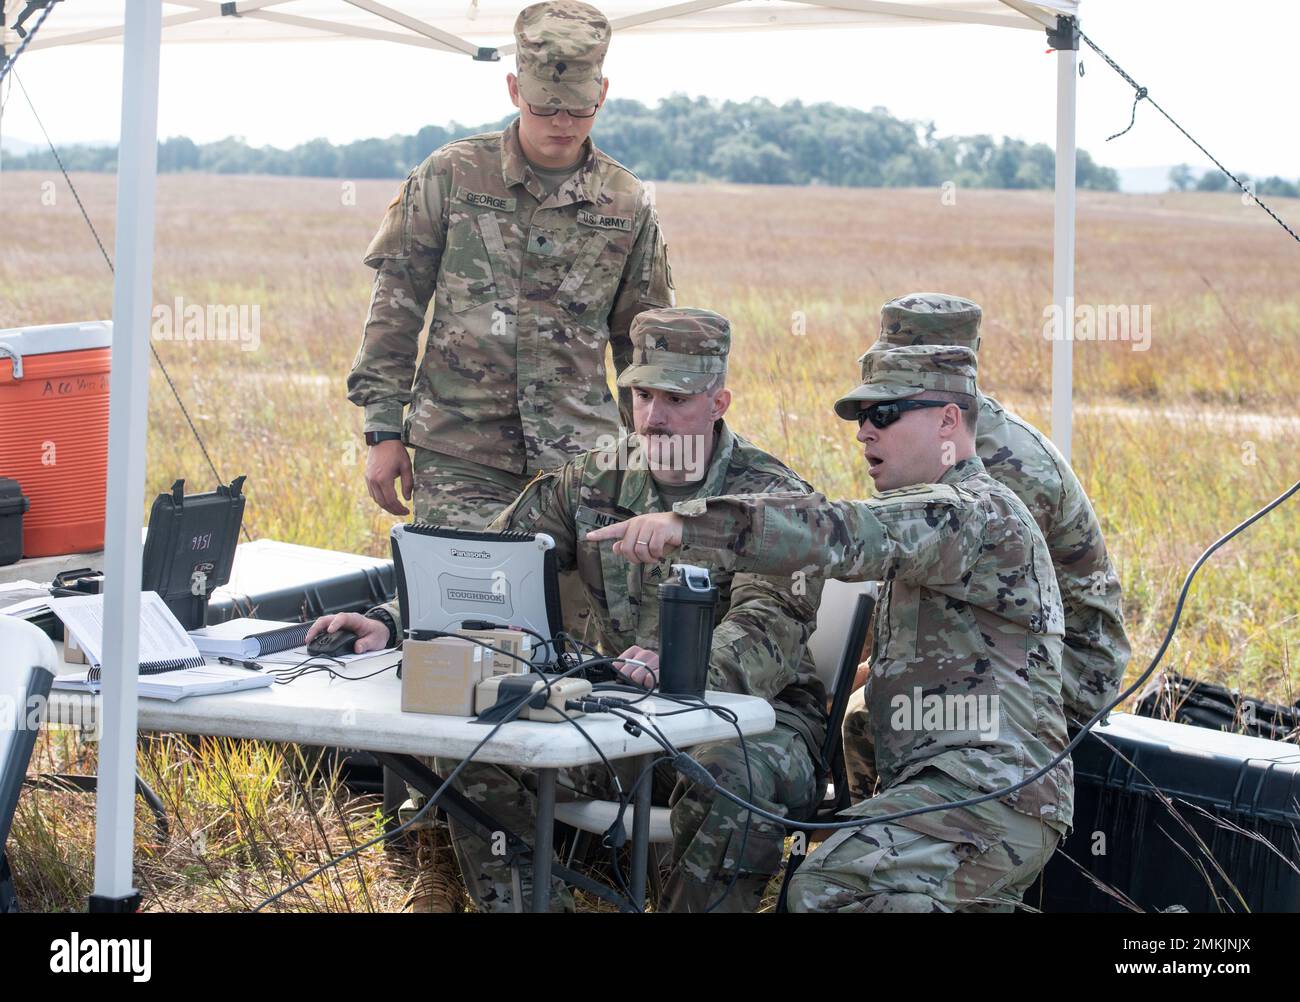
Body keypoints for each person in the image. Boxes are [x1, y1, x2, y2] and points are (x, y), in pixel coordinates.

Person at [315, 307, 827, 912]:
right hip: (619, 715)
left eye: (676, 398)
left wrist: (680, 665)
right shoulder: (594, 481)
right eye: (641, 394)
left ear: (719, 403)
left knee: (733, 775)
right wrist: (394, 621)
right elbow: (492, 569)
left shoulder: (773, 504)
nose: (654, 417)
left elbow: (764, 630)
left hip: (749, 722)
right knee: (473, 749)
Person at [341, 0, 672, 908]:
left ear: (604, 94)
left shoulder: (626, 201)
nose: (562, 125)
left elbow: (640, 341)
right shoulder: (450, 176)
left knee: (570, 665)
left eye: (579, 110)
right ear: (513, 87)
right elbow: (395, 306)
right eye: (545, 107)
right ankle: (433, 874)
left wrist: (660, 457)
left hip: (581, 471)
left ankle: (563, 870)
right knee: (444, 666)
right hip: (459, 455)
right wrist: (381, 426)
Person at [586, 344, 1073, 912]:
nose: (866, 432)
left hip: (992, 793)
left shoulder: (970, 515)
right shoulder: (947, 522)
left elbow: (841, 533)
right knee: (831, 888)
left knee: (823, 894)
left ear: (948, 420)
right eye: (860, 417)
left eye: (885, 414)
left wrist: (687, 525)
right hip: (958, 789)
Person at [840, 293, 1129, 799]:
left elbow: (1002, 614)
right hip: (992, 639)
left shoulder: (1009, 467)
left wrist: (873, 676)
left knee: (875, 717)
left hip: (1063, 671)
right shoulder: (927, 441)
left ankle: (893, 843)